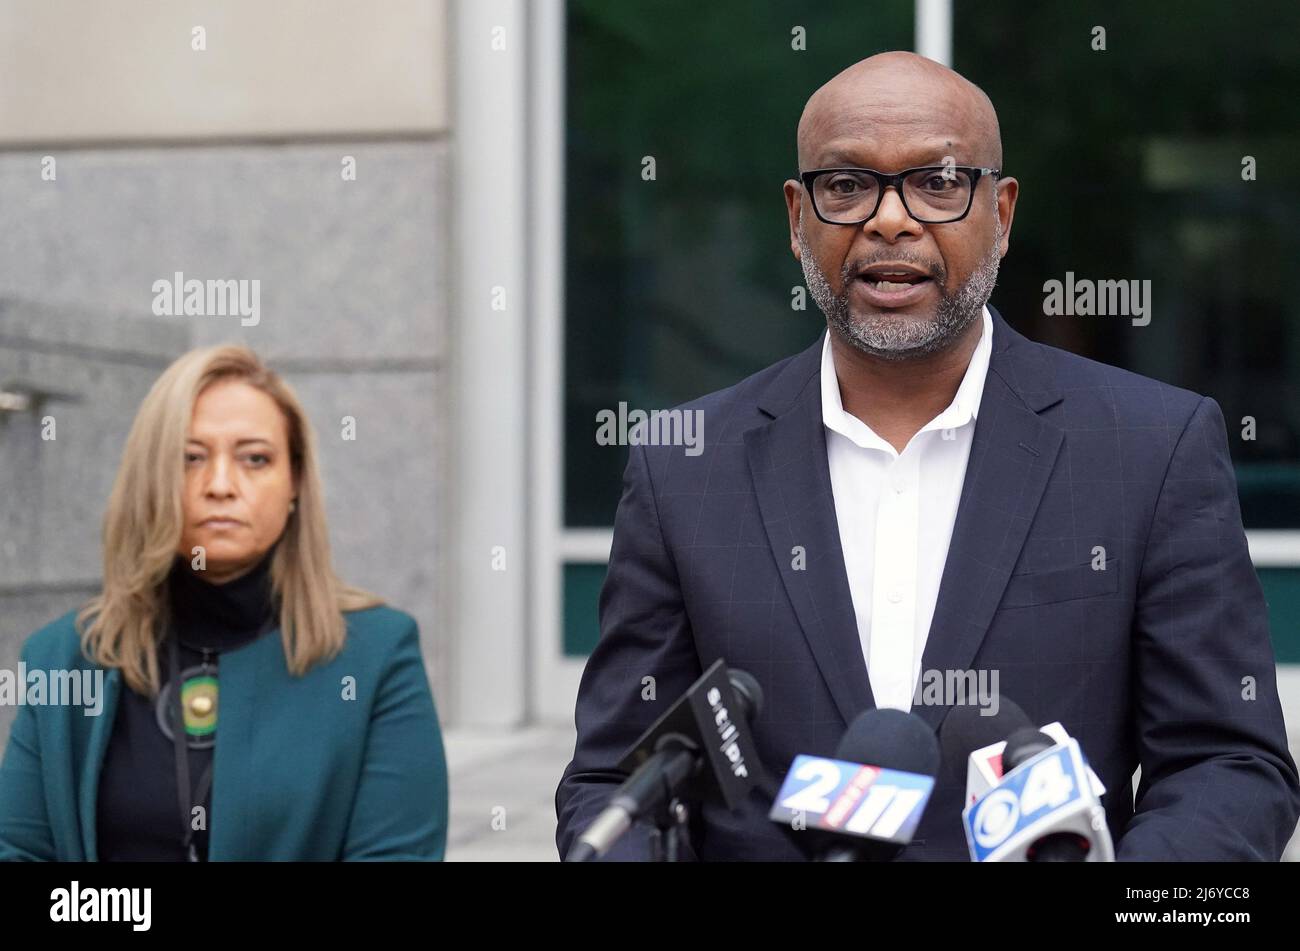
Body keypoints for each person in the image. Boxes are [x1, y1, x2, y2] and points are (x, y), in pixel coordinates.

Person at [556, 51, 1300, 860]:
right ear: (797, 216)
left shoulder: (1151, 449)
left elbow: (1230, 767)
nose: (889, 219)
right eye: (846, 186)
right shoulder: (684, 467)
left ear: (1004, 213)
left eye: (938, 182)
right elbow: (614, 781)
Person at [0, 344, 448, 860]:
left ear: (295, 482)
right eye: (190, 459)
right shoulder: (62, 658)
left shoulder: (376, 656)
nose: (220, 486)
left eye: (254, 459)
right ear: (152, 479)